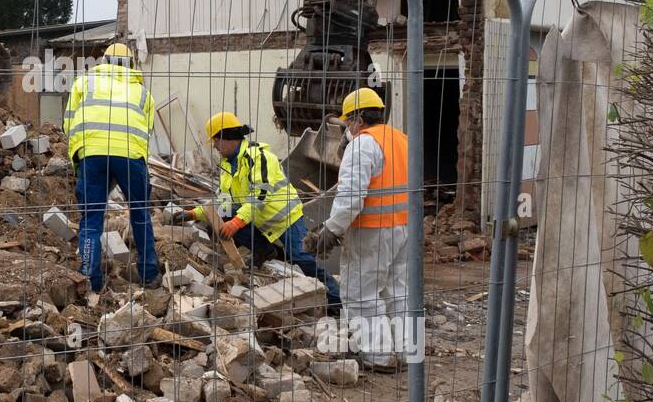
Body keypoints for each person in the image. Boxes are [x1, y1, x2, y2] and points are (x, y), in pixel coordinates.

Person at [179, 111, 341, 313]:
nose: (214, 147)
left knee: (302, 259)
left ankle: (338, 302)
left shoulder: (260, 157)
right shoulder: (228, 166)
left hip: (284, 219)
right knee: (225, 217)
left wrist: (237, 223)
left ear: (227, 138)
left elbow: (260, 196)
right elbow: (223, 202)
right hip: (259, 219)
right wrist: (195, 214)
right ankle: (264, 249)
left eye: (215, 141)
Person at [304, 88, 409, 371]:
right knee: (396, 290)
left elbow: (351, 197)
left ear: (359, 119)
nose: (347, 129)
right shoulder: (400, 139)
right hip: (402, 227)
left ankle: (378, 356)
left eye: (348, 122)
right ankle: (406, 351)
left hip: (371, 231)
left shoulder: (362, 145)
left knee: (361, 293)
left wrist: (331, 230)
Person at [63, 42, 158, 298]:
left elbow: (69, 124)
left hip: (92, 154)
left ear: (103, 62)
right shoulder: (142, 93)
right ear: (131, 64)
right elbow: (145, 132)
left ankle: (89, 278)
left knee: (92, 220)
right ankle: (149, 275)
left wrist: (79, 161)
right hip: (129, 156)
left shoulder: (84, 84)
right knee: (139, 214)